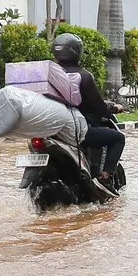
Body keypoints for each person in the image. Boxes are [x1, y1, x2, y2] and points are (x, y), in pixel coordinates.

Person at [52, 32, 126, 196]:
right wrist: (113, 108)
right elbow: (98, 107)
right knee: (118, 138)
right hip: (77, 130)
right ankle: (105, 177)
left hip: (50, 131)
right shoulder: (83, 76)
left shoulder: (48, 76)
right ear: (77, 51)